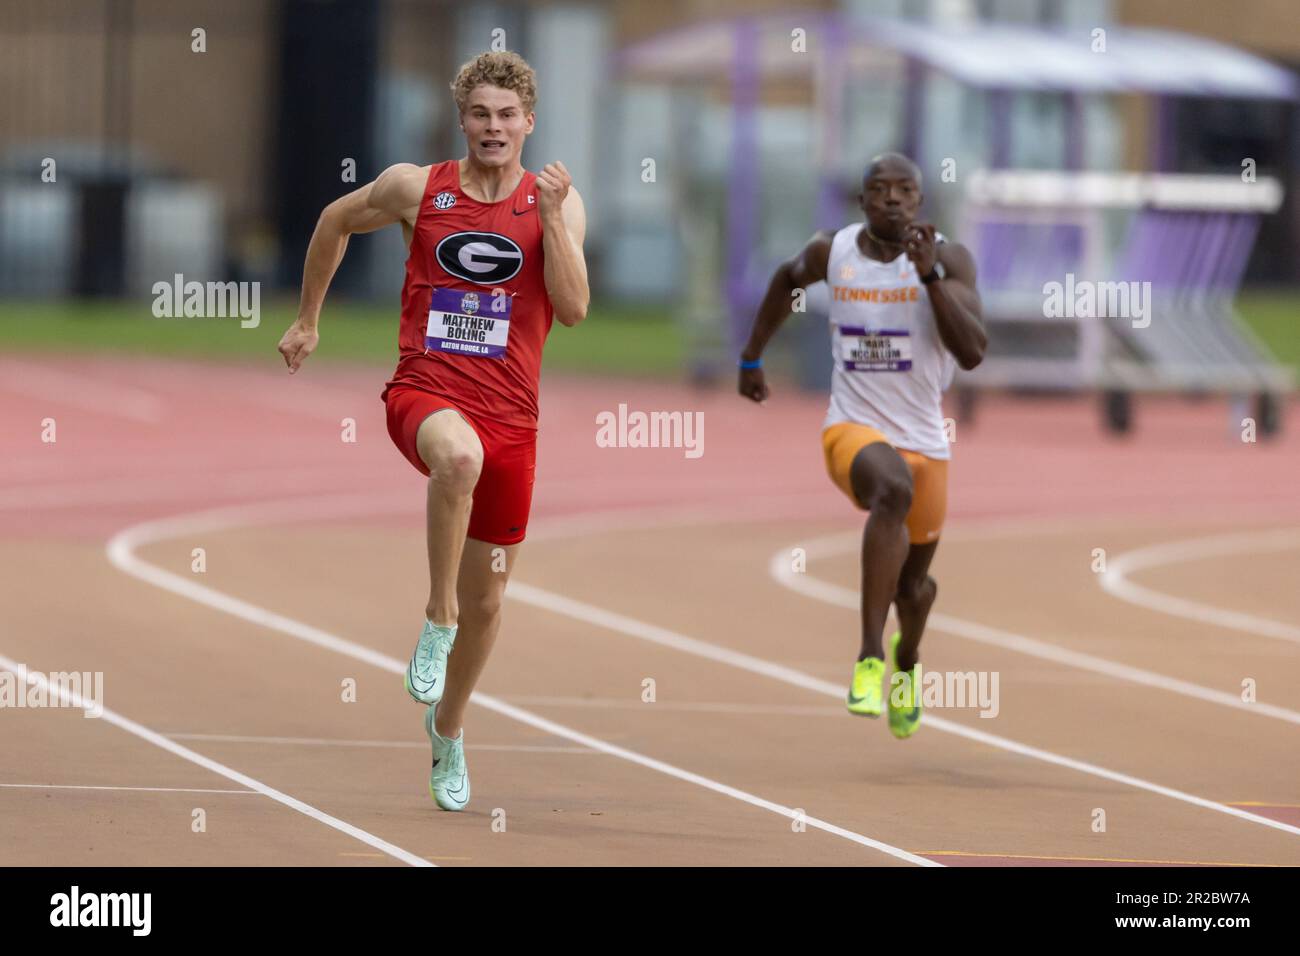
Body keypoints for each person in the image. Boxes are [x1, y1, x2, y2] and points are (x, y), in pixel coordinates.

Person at [277, 51, 588, 808]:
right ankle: (435, 615)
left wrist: (550, 221)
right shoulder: (418, 188)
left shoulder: (558, 204)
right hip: (426, 392)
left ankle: (448, 730)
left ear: (529, 123)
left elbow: (574, 310)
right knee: (457, 458)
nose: (494, 126)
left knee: (493, 602)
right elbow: (333, 221)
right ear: (463, 119)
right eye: (481, 113)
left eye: (507, 115)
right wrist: (308, 318)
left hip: (513, 415)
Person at [738, 152, 984, 738]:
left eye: (905, 190)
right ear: (862, 201)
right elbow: (785, 279)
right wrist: (752, 356)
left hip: (926, 437)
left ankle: (906, 661)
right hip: (852, 428)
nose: (893, 199)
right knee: (891, 490)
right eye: (881, 190)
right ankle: (869, 657)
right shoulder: (835, 251)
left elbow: (973, 352)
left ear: (920, 201)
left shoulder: (949, 258)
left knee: (915, 588)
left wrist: (929, 277)